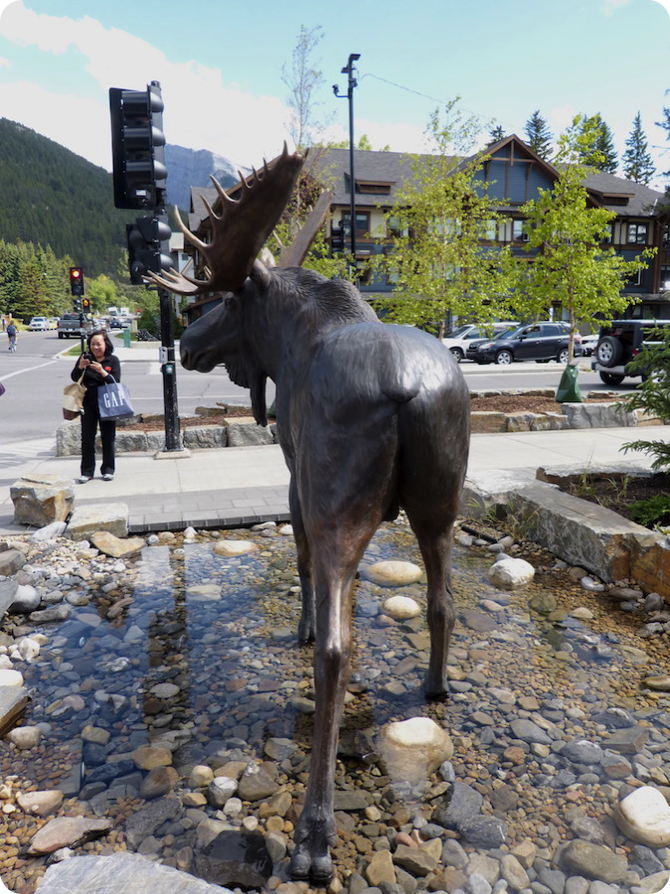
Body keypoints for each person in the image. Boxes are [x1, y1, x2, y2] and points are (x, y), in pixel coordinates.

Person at [71, 329, 121, 483]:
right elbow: (74, 377)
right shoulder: (85, 359)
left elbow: (115, 381)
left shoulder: (112, 360)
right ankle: (86, 472)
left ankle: (108, 469)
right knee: (87, 438)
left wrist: (102, 372)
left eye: (98, 344)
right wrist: (80, 367)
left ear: (106, 344)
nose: (95, 347)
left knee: (108, 437)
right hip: (88, 403)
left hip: (107, 403)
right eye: (92, 344)